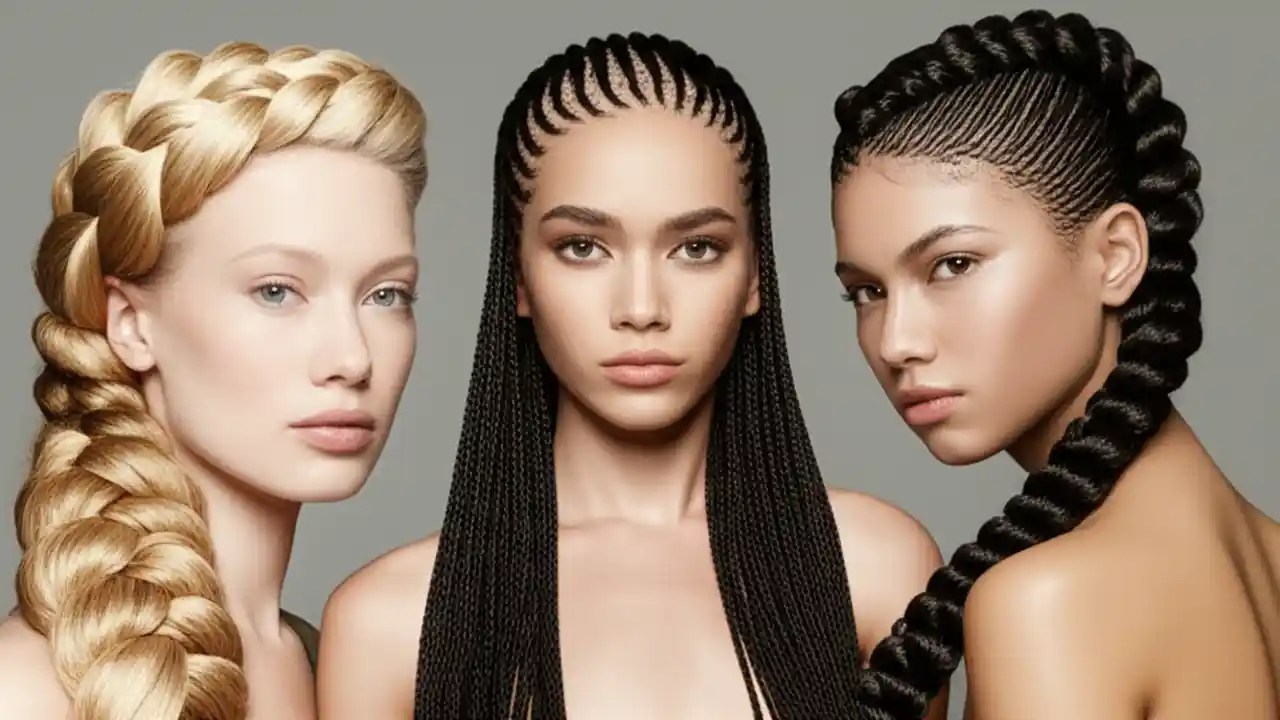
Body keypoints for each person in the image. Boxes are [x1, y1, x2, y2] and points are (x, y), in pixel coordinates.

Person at [318, 32, 946, 720]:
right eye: (582, 248)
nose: (642, 308)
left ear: (754, 275)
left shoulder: (877, 567)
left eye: (696, 248)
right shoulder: (389, 626)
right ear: (519, 277)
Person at [828, 9, 1280, 719]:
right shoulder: (1267, 558)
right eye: (867, 292)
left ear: (1116, 256)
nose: (896, 342)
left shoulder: (1048, 605)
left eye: (953, 264)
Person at [0, 41, 427, 719]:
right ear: (131, 324)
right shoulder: (24, 692)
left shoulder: (351, 677)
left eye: (385, 295)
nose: (352, 359)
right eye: (277, 291)